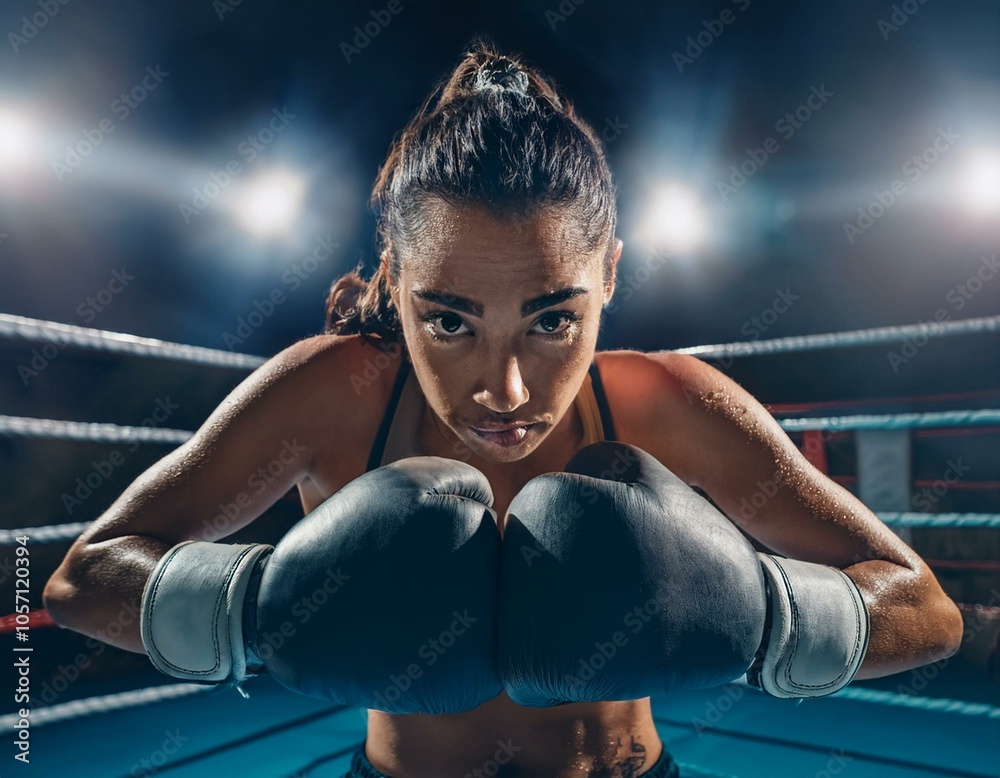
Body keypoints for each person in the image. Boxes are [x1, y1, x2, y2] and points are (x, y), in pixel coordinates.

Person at [44, 38, 964, 778]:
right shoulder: (333, 394)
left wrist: (762, 618)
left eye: (552, 319)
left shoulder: (669, 403)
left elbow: (926, 609)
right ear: (396, 279)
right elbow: (85, 578)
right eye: (448, 320)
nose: (505, 391)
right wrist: (256, 611)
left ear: (609, 275)